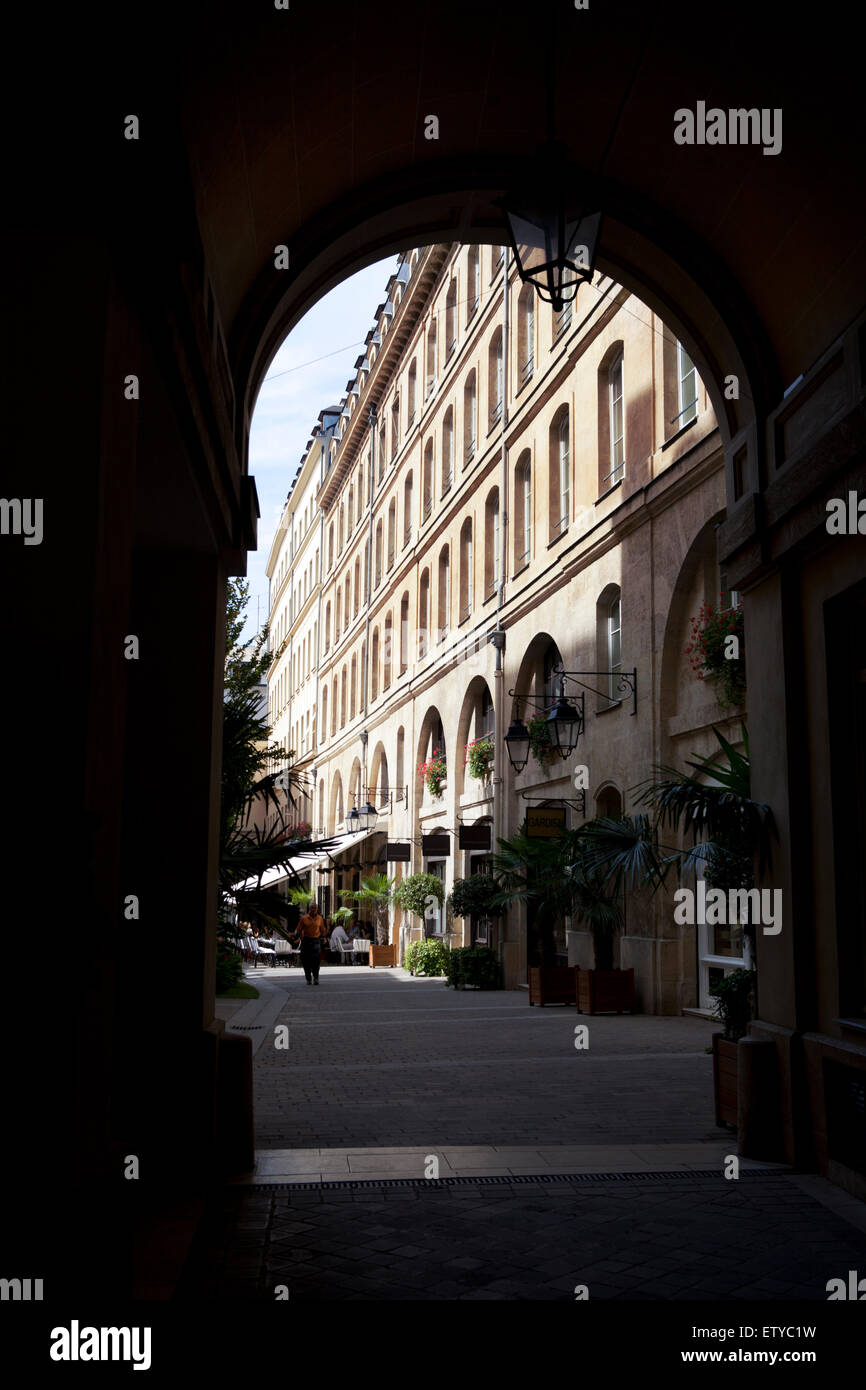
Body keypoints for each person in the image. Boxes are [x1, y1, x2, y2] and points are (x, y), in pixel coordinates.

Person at [297, 900, 327, 984]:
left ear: (317, 909)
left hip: (316, 941)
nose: (313, 909)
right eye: (312, 908)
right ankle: (308, 978)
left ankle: (316, 978)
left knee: (316, 960)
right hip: (306, 940)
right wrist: (301, 938)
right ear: (309, 908)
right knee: (306, 961)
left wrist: (324, 937)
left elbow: (322, 930)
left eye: (315, 908)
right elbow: (299, 930)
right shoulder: (304, 918)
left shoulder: (320, 918)